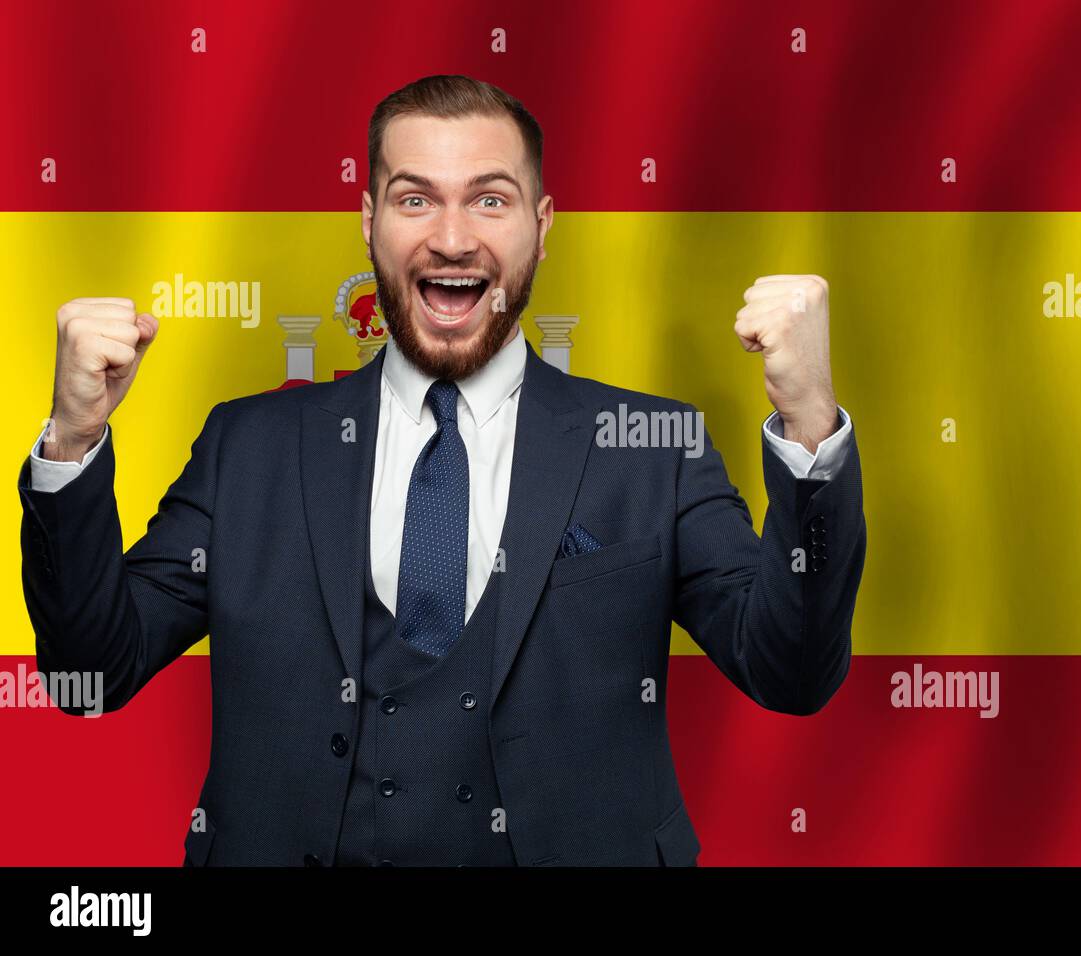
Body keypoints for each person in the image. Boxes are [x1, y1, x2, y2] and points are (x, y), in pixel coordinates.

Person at [17, 74, 866, 866]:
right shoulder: (249, 448)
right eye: (414, 198)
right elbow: (89, 674)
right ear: (368, 221)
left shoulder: (650, 443)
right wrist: (73, 437)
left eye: (489, 200)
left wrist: (810, 421)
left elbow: (789, 674)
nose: (452, 238)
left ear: (542, 223)